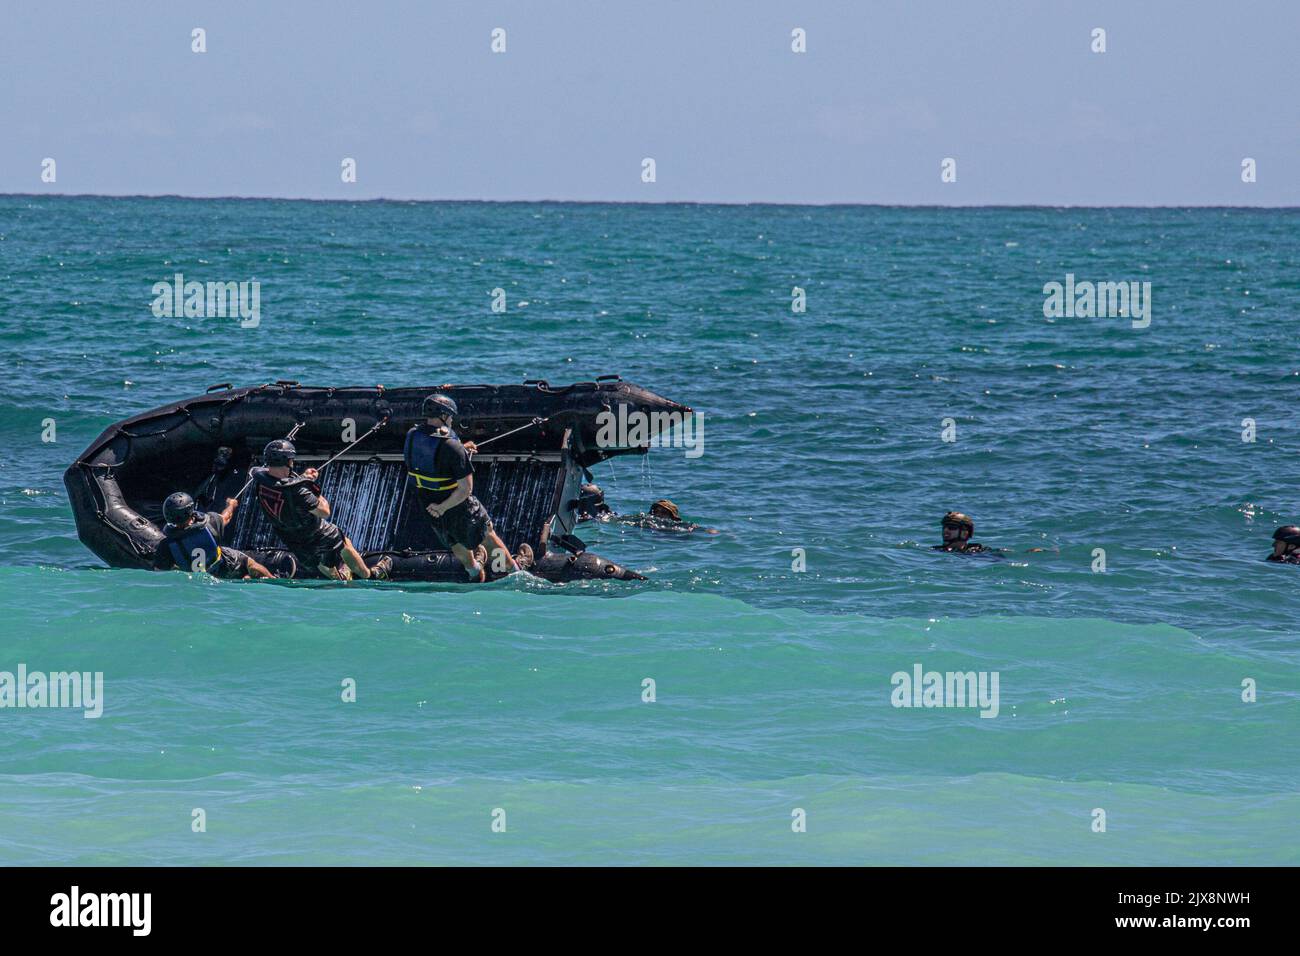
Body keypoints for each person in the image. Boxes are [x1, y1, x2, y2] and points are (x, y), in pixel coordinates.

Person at [404, 393, 524, 581]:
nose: (452, 419)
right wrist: (443, 506)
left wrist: (461, 448)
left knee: (454, 539)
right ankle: (513, 571)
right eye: (450, 415)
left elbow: (432, 456)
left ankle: (474, 571)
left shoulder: (412, 436)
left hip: (428, 503)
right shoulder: (452, 446)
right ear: (443, 415)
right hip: (455, 503)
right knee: (487, 534)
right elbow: (465, 489)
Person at [248, 439, 392, 582]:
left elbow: (283, 484)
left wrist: (303, 478)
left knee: (319, 561)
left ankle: (340, 580)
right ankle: (370, 575)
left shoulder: (260, 481)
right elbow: (324, 512)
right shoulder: (299, 491)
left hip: (289, 536)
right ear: (288, 460)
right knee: (343, 541)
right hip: (315, 532)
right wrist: (312, 487)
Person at [152, 491, 273, 579]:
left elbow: (159, 573)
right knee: (248, 562)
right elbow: (226, 517)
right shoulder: (211, 523)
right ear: (190, 510)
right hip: (225, 565)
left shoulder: (166, 545)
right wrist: (231, 505)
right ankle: (270, 579)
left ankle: (245, 577)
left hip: (200, 577)